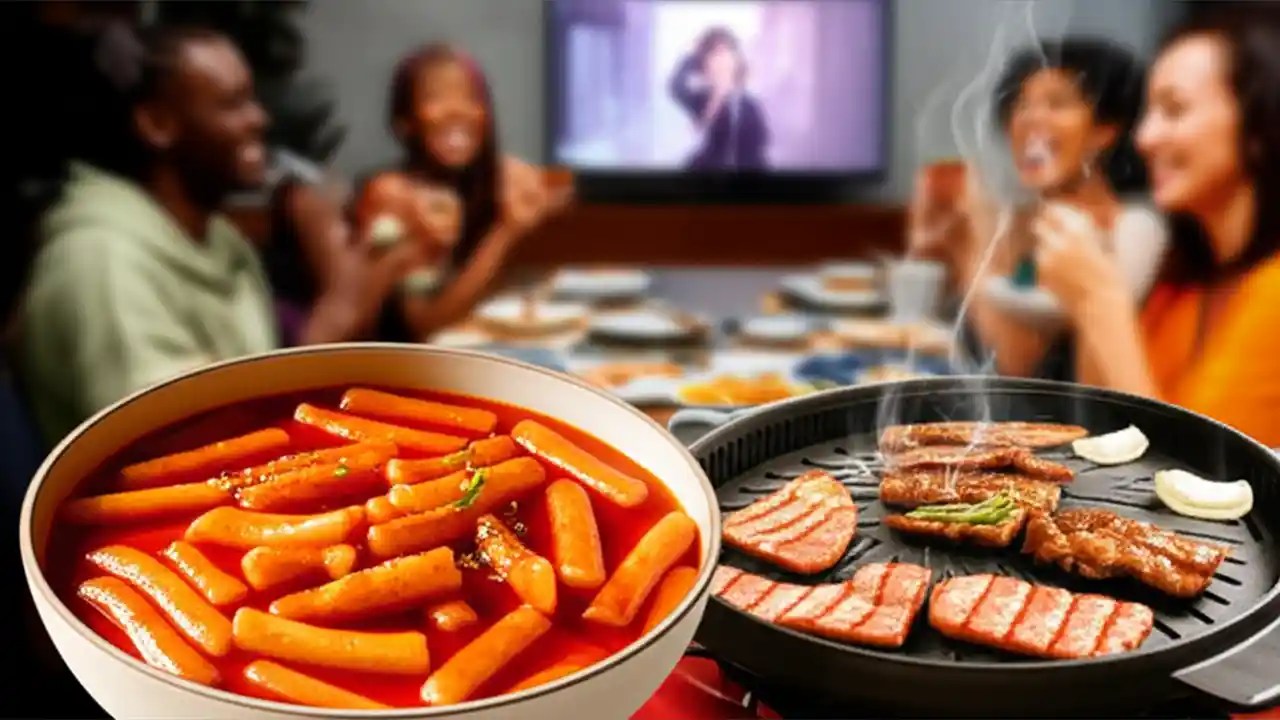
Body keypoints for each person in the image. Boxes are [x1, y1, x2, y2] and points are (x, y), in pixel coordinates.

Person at [14, 23, 284, 445]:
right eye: (233, 103)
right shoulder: (102, 259)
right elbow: (172, 444)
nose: (259, 118)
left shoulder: (217, 236)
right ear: (157, 123)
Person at [1035, 13, 1280, 446]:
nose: (1145, 138)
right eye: (1149, 113)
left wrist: (1099, 299)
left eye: (1174, 109)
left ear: (1259, 125)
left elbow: (1201, 481)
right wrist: (1091, 294)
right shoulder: (1186, 280)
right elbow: (1108, 422)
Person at [910, 38, 1166, 381]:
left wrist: (975, 230)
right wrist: (936, 234)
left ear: (1105, 131)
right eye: (1019, 104)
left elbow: (1016, 363)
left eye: (1056, 103)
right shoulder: (1027, 218)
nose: (1028, 119)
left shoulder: (1134, 227)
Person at [356, 44, 565, 341]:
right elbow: (424, 323)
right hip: (397, 372)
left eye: (470, 97)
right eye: (435, 98)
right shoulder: (393, 195)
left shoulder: (482, 184)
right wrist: (506, 231)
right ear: (404, 122)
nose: (457, 110)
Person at [669, 27, 770, 171]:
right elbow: (676, 86)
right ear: (705, 62)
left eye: (726, 52)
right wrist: (695, 57)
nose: (721, 60)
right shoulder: (702, 99)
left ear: (735, 60)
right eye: (715, 54)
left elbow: (760, 143)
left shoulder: (749, 104)